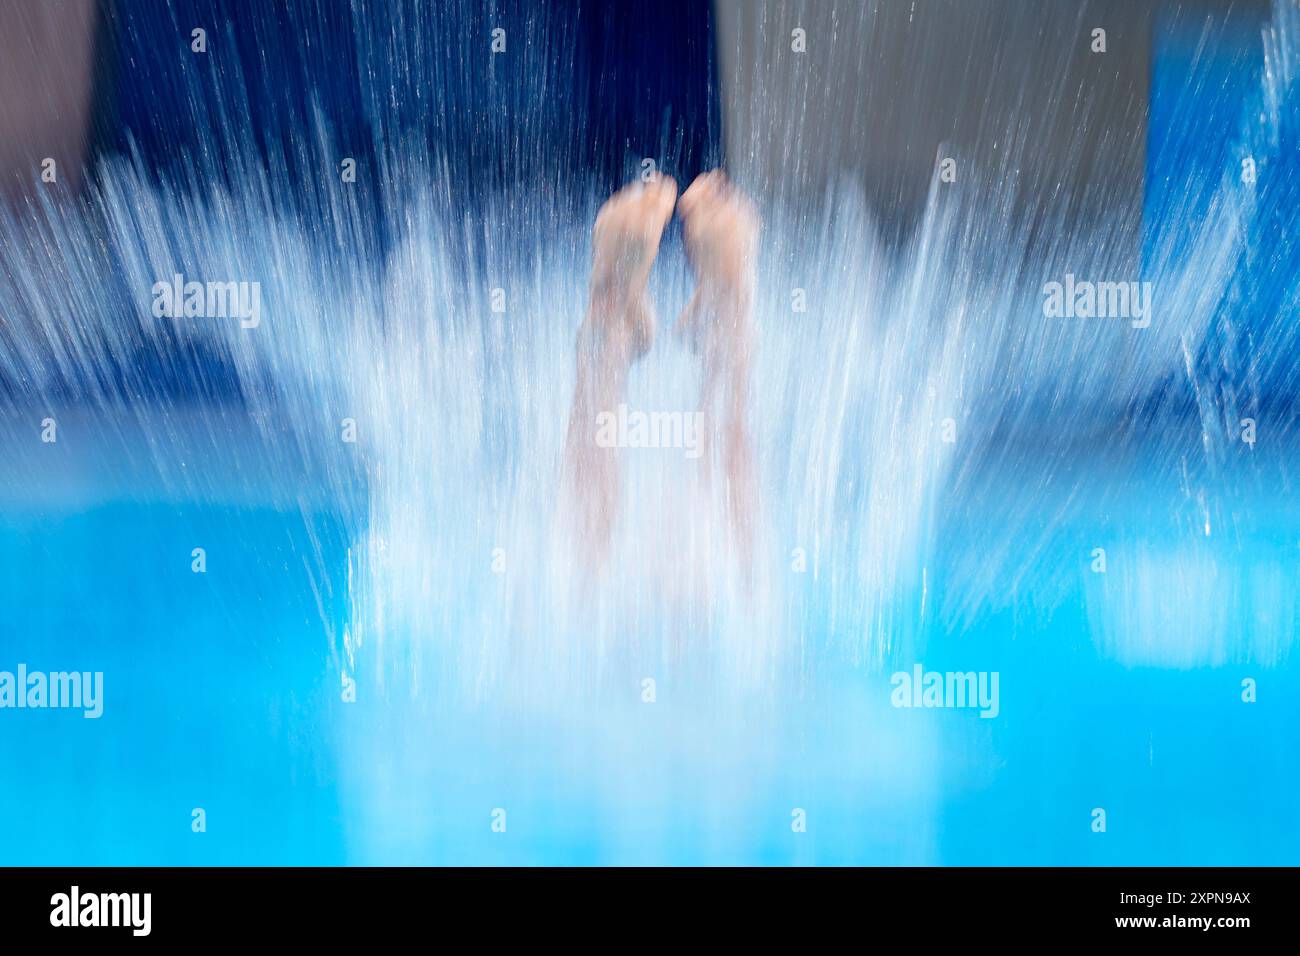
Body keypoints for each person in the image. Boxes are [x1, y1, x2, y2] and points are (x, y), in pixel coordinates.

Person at [563, 170, 759, 573]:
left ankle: (610, 309)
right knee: (740, 595)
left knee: (573, 591)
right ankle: (729, 315)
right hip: (715, 606)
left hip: (578, 621)